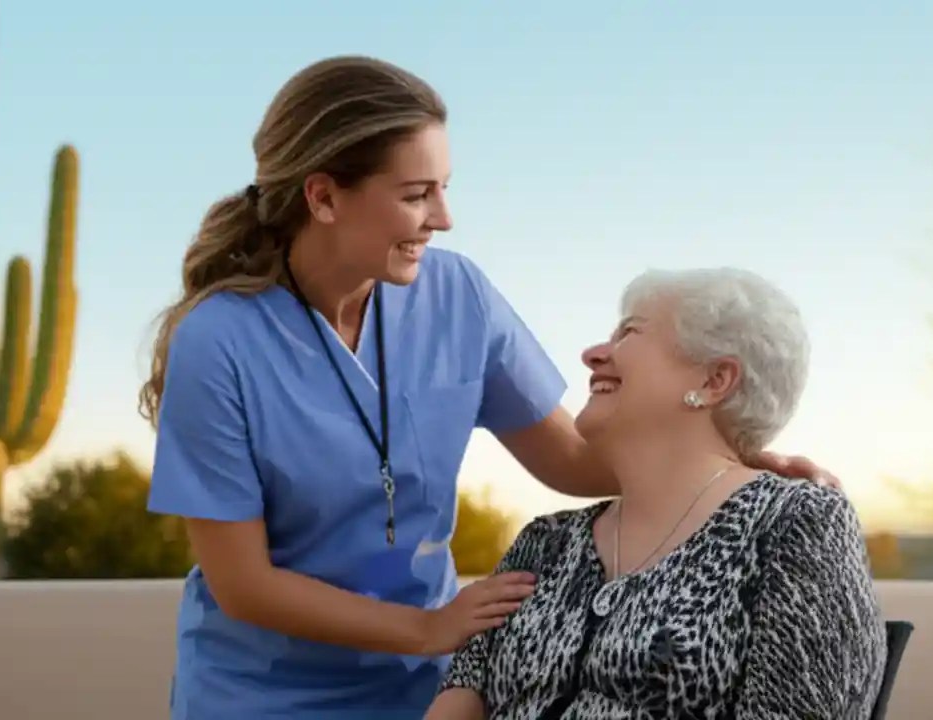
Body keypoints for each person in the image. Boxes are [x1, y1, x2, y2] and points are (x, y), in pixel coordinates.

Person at [141, 55, 840, 720]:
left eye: (445, 188)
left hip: (425, 689)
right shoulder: (217, 342)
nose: (443, 218)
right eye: (417, 195)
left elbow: (575, 461)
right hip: (263, 698)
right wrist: (425, 627)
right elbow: (242, 585)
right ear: (322, 196)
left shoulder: (458, 296)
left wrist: (729, 469)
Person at [426, 267, 888, 719]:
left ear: (713, 381)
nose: (592, 354)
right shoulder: (544, 543)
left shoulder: (796, 524)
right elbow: (461, 696)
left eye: (629, 333)